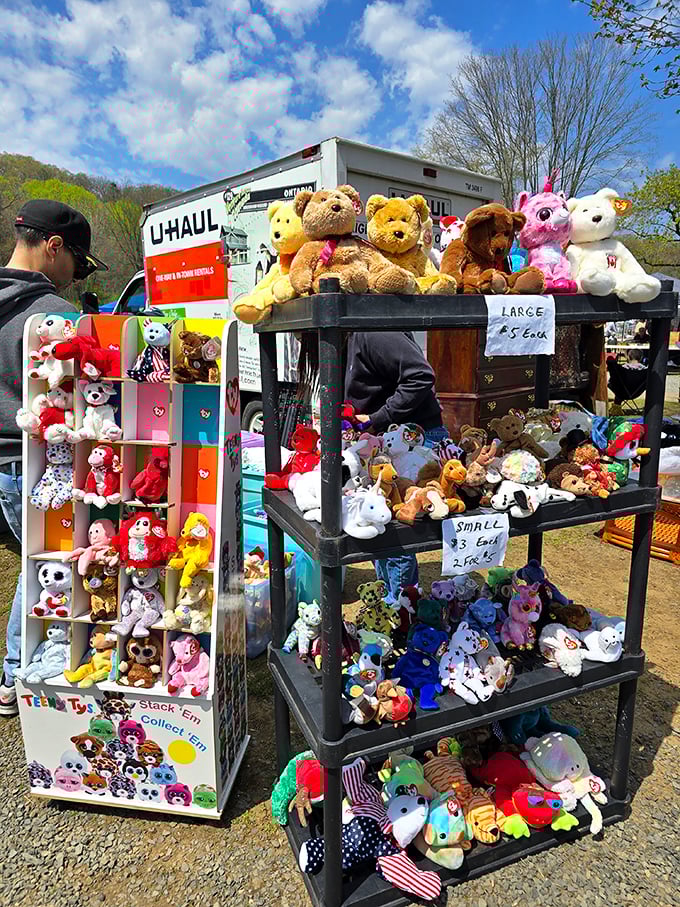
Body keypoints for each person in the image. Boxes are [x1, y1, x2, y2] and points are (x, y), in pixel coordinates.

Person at [0, 199, 107, 717]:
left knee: (31, 558)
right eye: (76, 261)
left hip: (3, 463)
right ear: (53, 246)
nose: (73, 276)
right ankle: (15, 672)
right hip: (41, 464)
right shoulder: (55, 318)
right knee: (42, 562)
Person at [298, 330, 448, 604]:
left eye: (300, 333)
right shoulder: (342, 342)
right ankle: (390, 603)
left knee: (396, 530)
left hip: (414, 442)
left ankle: (402, 608)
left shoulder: (372, 333)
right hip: (383, 443)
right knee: (379, 522)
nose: (298, 339)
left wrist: (378, 417)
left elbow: (421, 376)